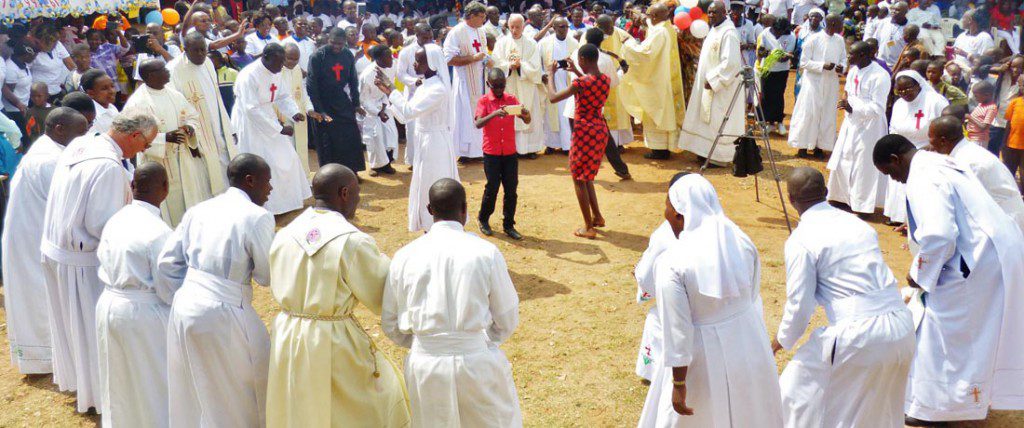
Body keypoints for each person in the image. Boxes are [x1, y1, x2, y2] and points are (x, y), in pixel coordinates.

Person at [872, 135, 1024, 425]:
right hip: (993, 253)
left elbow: (940, 234)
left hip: (977, 261)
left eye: (890, 173)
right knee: (964, 332)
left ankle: (941, 409)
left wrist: (918, 273)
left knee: (944, 332)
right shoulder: (939, 162)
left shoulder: (922, 176)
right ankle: (951, 403)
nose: (895, 181)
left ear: (896, 159)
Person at [266, 164, 410, 428]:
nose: (357, 201)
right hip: (332, 339)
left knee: (300, 406)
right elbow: (380, 294)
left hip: (287, 334)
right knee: (369, 402)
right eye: (356, 194)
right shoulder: (351, 241)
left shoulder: (285, 233)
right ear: (344, 193)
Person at [636, 174, 783, 428]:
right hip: (749, 344)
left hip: (701, 356)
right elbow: (753, 296)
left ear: (681, 214)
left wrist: (679, 384)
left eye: (667, 207)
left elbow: (677, 329)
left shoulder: (672, 262)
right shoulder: (741, 241)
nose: (665, 214)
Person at [774, 167, 915, 427]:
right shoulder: (858, 224)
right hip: (902, 326)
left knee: (795, 393)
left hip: (859, 336)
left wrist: (777, 343)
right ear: (826, 193)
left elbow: (800, 307)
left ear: (791, 200)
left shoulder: (801, 239)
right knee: (875, 410)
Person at [41, 112, 158, 413]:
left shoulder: (81, 144)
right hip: (84, 259)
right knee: (92, 332)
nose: (144, 150)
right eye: (146, 143)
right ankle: (99, 395)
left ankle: (84, 385)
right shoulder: (109, 167)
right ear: (133, 136)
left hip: (59, 249)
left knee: (73, 328)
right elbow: (103, 224)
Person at [383, 178, 522, 427]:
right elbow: (507, 316)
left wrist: (426, 343)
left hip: (426, 365)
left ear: (429, 210)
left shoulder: (404, 257)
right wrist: (478, 342)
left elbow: (391, 322)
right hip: (476, 361)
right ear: (465, 209)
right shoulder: (485, 253)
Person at [157, 153, 276, 427]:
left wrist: (188, 293)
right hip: (225, 312)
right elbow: (267, 274)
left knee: (196, 388)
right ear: (250, 180)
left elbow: (167, 263)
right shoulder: (257, 217)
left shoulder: (199, 209)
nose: (270, 189)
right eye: (267, 182)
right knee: (241, 389)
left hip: (186, 304)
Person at [2, 107, 88, 376]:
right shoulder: (50, 160)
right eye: (80, 133)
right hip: (32, 239)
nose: (84, 139)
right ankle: (47, 358)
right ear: (59, 130)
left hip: (34, 233)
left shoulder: (50, 151)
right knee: (41, 297)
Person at [95, 162, 173, 427]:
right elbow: (167, 286)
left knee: (119, 377)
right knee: (153, 379)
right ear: (166, 188)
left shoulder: (116, 219)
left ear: (132, 186)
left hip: (108, 304)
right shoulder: (159, 232)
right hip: (144, 314)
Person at [375, 44, 459, 232]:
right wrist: (389, 95)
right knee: (423, 184)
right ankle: (427, 223)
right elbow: (405, 115)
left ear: (433, 64)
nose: (414, 63)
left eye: (419, 60)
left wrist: (391, 91)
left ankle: (437, 224)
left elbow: (409, 110)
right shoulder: (424, 85)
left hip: (435, 143)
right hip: (424, 141)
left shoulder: (437, 89)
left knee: (434, 182)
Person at [124, 59, 211, 227]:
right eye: (163, 69)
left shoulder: (173, 94)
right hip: (158, 162)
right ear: (150, 76)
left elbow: (193, 116)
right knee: (170, 204)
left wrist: (189, 128)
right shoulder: (138, 102)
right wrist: (164, 138)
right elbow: (132, 135)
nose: (168, 71)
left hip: (182, 159)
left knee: (190, 196)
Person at [232, 43, 309, 215]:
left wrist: (294, 112)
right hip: (251, 123)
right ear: (265, 58)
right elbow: (250, 108)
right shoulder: (249, 75)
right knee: (263, 163)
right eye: (279, 62)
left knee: (288, 158)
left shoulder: (276, 72)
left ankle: (286, 203)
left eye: (283, 62)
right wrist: (278, 128)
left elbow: (282, 96)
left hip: (268, 117)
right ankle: (268, 208)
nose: (281, 66)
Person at [546, 44, 609, 239]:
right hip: (599, 129)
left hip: (584, 131)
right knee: (587, 176)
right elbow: (590, 81)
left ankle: (588, 227)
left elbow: (554, 97)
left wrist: (549, 76)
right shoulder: (604, 79)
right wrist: (576, 70)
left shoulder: (580, 83)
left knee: (579, 179)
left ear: (582, 59)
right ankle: (597, 216)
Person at [633, 172, 687, 382]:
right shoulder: (724, 232)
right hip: (718, 319)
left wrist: (638, 273)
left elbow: (648, 277)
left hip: (678, 310)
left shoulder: (666, 234)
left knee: (657, 319)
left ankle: (657, 373)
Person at [168, 32, 237, 194]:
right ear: (184, 49)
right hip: (198, 133)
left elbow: (217, 99)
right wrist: (190, 139)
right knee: (208, 174)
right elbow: (177, 107)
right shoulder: (174, 69)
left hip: (218, 127)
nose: (201, 54)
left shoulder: (208, 63)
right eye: (196, 51)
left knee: (226, 163)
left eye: (203, 50)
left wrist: (229, 128)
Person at [929, 116, 1024, 231]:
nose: (929, 143)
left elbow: (964, 204)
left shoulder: (966, 161)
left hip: (1005, 220)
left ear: (943, 141)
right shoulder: (967, 151)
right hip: (1001, 214)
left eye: (930, 138)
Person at [828, 41, 890, 217]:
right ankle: (840, 197)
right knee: (844, 156)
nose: (848, 57)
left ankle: (862, 205)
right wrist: (845, 103)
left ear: (863, 55)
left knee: (864, 164)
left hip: (870, 125)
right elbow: (848, 91)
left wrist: (852, 109)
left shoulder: (880, 76)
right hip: (851, 121)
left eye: (851, 54)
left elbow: (878, 108)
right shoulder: (854, 70)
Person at [679, 1, 743, 166]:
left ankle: (718, 156)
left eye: (715, 12)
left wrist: (715, 80)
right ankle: (705, 151)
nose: (712, 15)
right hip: (707, 84)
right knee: (705, 119)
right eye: (710, 12)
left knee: (717, 118)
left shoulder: (729, 33)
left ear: (724, 13)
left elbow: (731, 63)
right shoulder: (714, 30)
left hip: (721, 87)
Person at [620, 4, 684, 161]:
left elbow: (644, 53)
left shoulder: (659, 32)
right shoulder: (667, 27)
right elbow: (650, 25)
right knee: (665, 112)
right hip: (666, 78)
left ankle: (659, 149)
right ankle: (664, 148)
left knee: (657, 111)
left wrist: (628, 42)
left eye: (649, 16)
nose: (647, 18)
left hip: (658, 81)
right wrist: (643, 20)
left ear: (655, 17)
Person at [884, 70, 948, 225]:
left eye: (908, 89)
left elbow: (946, 125)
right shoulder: (899, 104)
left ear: (919, 85)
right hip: (901, 148)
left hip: (926, 149)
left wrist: (932, 146)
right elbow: (893, 126)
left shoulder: (935, 101)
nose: (904, 93)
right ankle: (898, 216)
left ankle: (915, 220)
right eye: (900, 90)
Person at [476, 68, 530, 240]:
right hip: (491, 152)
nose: (499, 89)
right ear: (488, 84)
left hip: (509, 152)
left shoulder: (511, 100)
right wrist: (494, 114)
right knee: (492, 187)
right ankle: (483, 219)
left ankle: (509, 224)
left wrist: (526, 114)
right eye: (495, 86)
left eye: (502, 86)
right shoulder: (484, 101)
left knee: (511, 189)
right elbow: (478, 123)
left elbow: (526, 120)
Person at [788, 14, 846, 159]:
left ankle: (820, 146)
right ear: (832, 23)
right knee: (809, 113)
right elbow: (803, 62)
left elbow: (843, 59)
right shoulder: (813, 39)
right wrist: (822, 65)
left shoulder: (839, 40)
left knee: (826, 113)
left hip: (831, 82)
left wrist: (842, 67)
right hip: (813, 82)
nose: (842, 26)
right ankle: (802, 146)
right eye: (840, 23)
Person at [307, 28, 365, 174]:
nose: (337, 47)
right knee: (327, 141)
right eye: (334, 43)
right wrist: (320, 110)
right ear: (328, 40)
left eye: (340, 44)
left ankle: (351, 172)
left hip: (341, 99)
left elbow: (353, 80)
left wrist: (356, 103)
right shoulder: (317, 56)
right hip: (322, 101)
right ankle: (330, 174)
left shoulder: (347, 55)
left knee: (350, 135)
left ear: (344, 42)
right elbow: (311, 85)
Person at [492, 14, 547, 158]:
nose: (515, 30)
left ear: (523, 26)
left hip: (526, 84)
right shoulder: (501, 43)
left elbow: (535, 67)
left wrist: (521, 65)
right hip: (510, 84)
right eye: (512, 27)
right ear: (508, 26)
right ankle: (512, 149)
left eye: (518, 27)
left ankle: (530, 148)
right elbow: (496, 63)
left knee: (529, 113)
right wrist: (509, 66)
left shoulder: (531, 43)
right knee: (511, 115)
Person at [444, 1, 489, 160]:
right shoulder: (457, 32)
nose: (483, 20)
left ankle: (478, 151)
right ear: (471, 16)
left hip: (480, 80)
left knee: (480, 114)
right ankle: (464, 153)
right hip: (464, 82)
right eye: (481, 17)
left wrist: (485, 59)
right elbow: (448, 59)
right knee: (464, 116)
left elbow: (482, 52)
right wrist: (472, 58)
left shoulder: (480, 31)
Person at [595, 15, 636, 177]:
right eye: (608, 27)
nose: (612, 30)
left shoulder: (619, 34)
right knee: (603, 133)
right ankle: (620, 168)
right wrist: (621, 71)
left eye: (612, 26)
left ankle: (618, 163)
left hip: (585, 100)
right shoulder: (603, 56)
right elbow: (612, 80)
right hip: (597, 96)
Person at [537, 17, 578, 154]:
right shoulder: (544, 43)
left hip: (568, 84)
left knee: (566, 115)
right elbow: (538, 62)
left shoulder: (574, 42)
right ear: (554, 28)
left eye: (566, 27)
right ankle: (551, 144)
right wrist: (544, 75)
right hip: (551, 82)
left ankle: (567, 145)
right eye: (561, 27)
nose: (565, 29)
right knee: (551, 115)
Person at [395, 23, 432, 166]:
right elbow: (400, 74)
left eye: (430, 37)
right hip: (413, 94)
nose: (428, 40)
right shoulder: (406, 52)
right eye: (425, 37)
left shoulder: (435, 49)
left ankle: (428, 158)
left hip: (431, 93)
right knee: (412, 130)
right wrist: (414, 81)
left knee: (429, 128)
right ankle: (413, 160)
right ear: (416, 36)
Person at [359, 45, 399, 176]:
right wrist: (377, 112)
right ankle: (375, 166)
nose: (391, 58)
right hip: (370, 108)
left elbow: (387, 90)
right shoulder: (368, 74)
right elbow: (363, 99)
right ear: (379, 58)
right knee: (375, 137)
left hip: (383, 104)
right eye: (388, 56)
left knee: (390, 134)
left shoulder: (391, 67)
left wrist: (383, 107)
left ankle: (387, 163)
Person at [281, 43, 320, 174]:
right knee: (286, 151)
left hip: (299, 116)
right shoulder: (276, 70)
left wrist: (310, 109)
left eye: (296, 59)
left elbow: (302, 92)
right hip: (283, 117)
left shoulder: (297, 69)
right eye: (289, 58)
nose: (293, 62)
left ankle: (303, 178)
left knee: (301, 149)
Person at [757, 19, 796, 135]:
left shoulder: (791, 37)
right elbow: (760, 51)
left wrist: (773, 54)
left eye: (780, 31)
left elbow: (786, 57)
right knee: (766, 95)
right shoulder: (765, 33)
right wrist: (765, 53)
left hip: (782, 70)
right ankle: (769, 123)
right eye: (776, 30)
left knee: (778, 95)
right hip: (767, 69)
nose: (777, 33)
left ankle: (779, 122)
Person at [951, 10, 994, 75]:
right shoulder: (962, 35)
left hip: (970, 74)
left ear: (970, 20)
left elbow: (985, 63)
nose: (961, 20)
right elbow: (954, 54)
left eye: (963, 18)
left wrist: (965, 54)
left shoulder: (985, 37)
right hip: (954, 70)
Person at [80, 69, 119, 135]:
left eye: (112, 86)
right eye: (104, 89)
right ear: (91, 93)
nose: (111, 91)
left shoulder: (111, 106)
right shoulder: (92, 118)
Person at [1004, 74, 1024, 187]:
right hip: (1012, 143)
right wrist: (1004, 144)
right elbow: (1008, 124)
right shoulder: (1015, 102)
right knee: (1009, 170)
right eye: (1022, 85)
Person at [874, 1, 908, 68]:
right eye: (892, 9)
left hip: (896, 65)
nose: (893, 11)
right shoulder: (884, 22)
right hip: (880, 62)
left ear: (905, 12)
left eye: (897, 10)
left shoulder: (908, 27)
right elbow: (876, 39)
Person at [965, 81, 997, 146]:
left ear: (987, 95)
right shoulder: (980, 104)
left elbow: (984, 127)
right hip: (971, 137)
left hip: (979, 139)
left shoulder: (991, 108)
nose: (975, 98)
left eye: (976, 96)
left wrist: (970, 118)